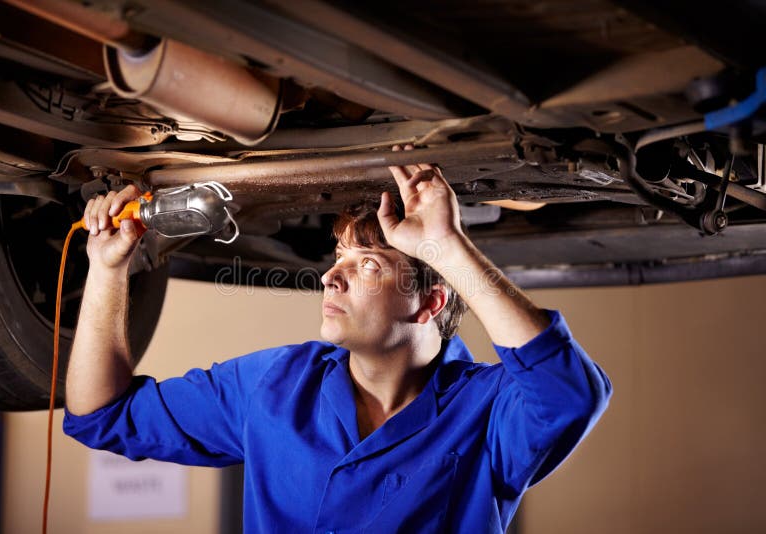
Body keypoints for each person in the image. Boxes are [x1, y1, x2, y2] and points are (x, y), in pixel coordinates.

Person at [64, 145, 612, 533]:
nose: (330, 277)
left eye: (367, 265)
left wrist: (446, 248)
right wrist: (108, 269)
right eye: (336, 259)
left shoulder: (486, 412)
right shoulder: (273, 387)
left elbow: (571, 395)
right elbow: (101, 415)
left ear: (429, 303)